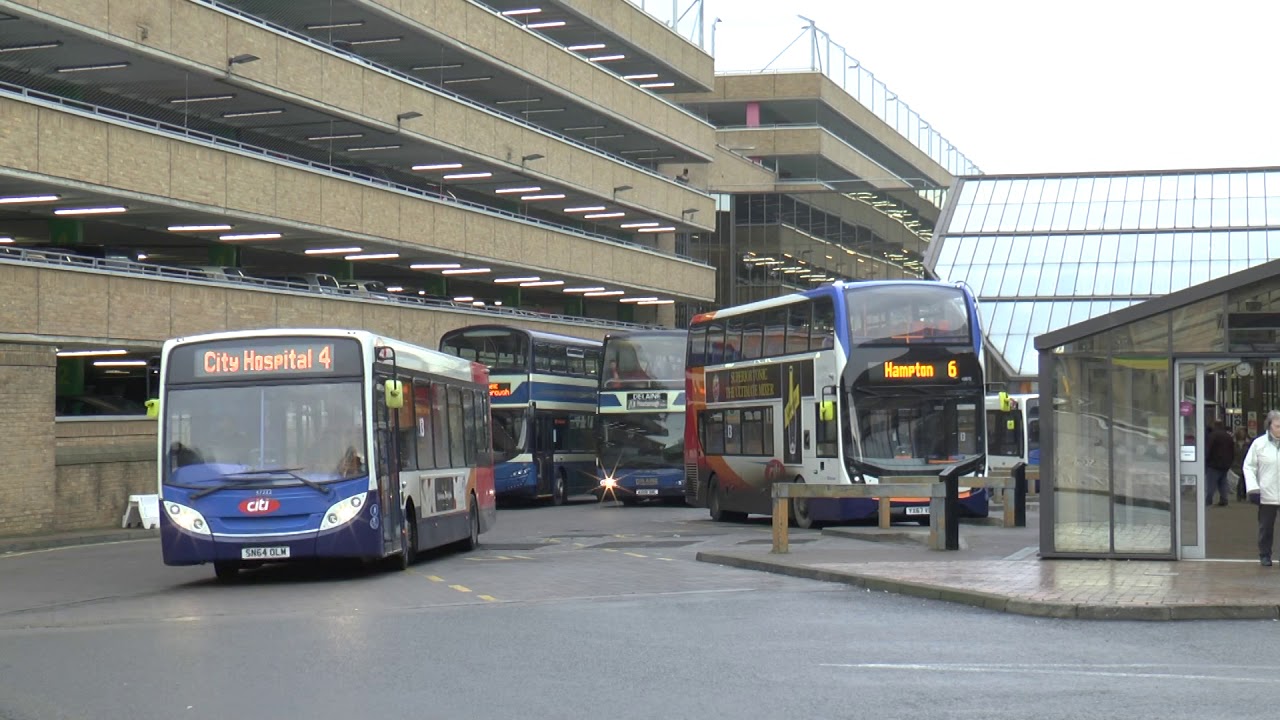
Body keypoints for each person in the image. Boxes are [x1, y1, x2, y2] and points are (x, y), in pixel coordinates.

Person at [1242, 410, 1280, 566]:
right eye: (1278, 426)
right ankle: (1265, 554)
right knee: (1266, 528)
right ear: (1269, 426)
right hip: (1267, 494)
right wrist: (1253, 489)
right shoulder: (1259, 444)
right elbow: (1249, 467)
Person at [1205, 420, 1235, 507]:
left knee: (1211, 483)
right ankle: (1224, 499)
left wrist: (1206, 460)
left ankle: (1208, 500)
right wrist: (1230, 461)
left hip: (1214, 463)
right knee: (1222, 482)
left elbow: (1208, 449)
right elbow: (1232, 450)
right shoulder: (1228, 436)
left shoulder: (1213, 436)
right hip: (1225, 463)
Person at [1233, 426, 1251, 502]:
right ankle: (1239, 495)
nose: (1242, 434)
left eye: (1243, 432)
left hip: (1246, 464)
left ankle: (1243, 495)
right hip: (1236, 464)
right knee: (1239, 480)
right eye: (1240, 432)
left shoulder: (1248, 443)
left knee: (1244, 480)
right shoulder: (1234, 443)